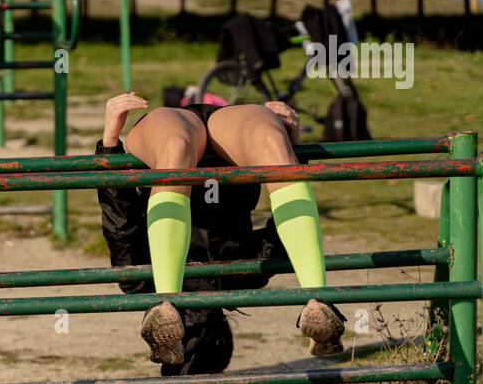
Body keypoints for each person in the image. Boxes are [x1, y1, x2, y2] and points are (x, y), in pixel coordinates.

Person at [100, 94, 346, 364]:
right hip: (219, 140)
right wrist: (291, 147)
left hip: (212, 139)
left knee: (177, 150)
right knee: (256, 142)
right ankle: (167, 301)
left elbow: (121, 223)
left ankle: (317, 295)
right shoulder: (239, 280)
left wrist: (109, 144)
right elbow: (120, 222)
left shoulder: (243, 281)